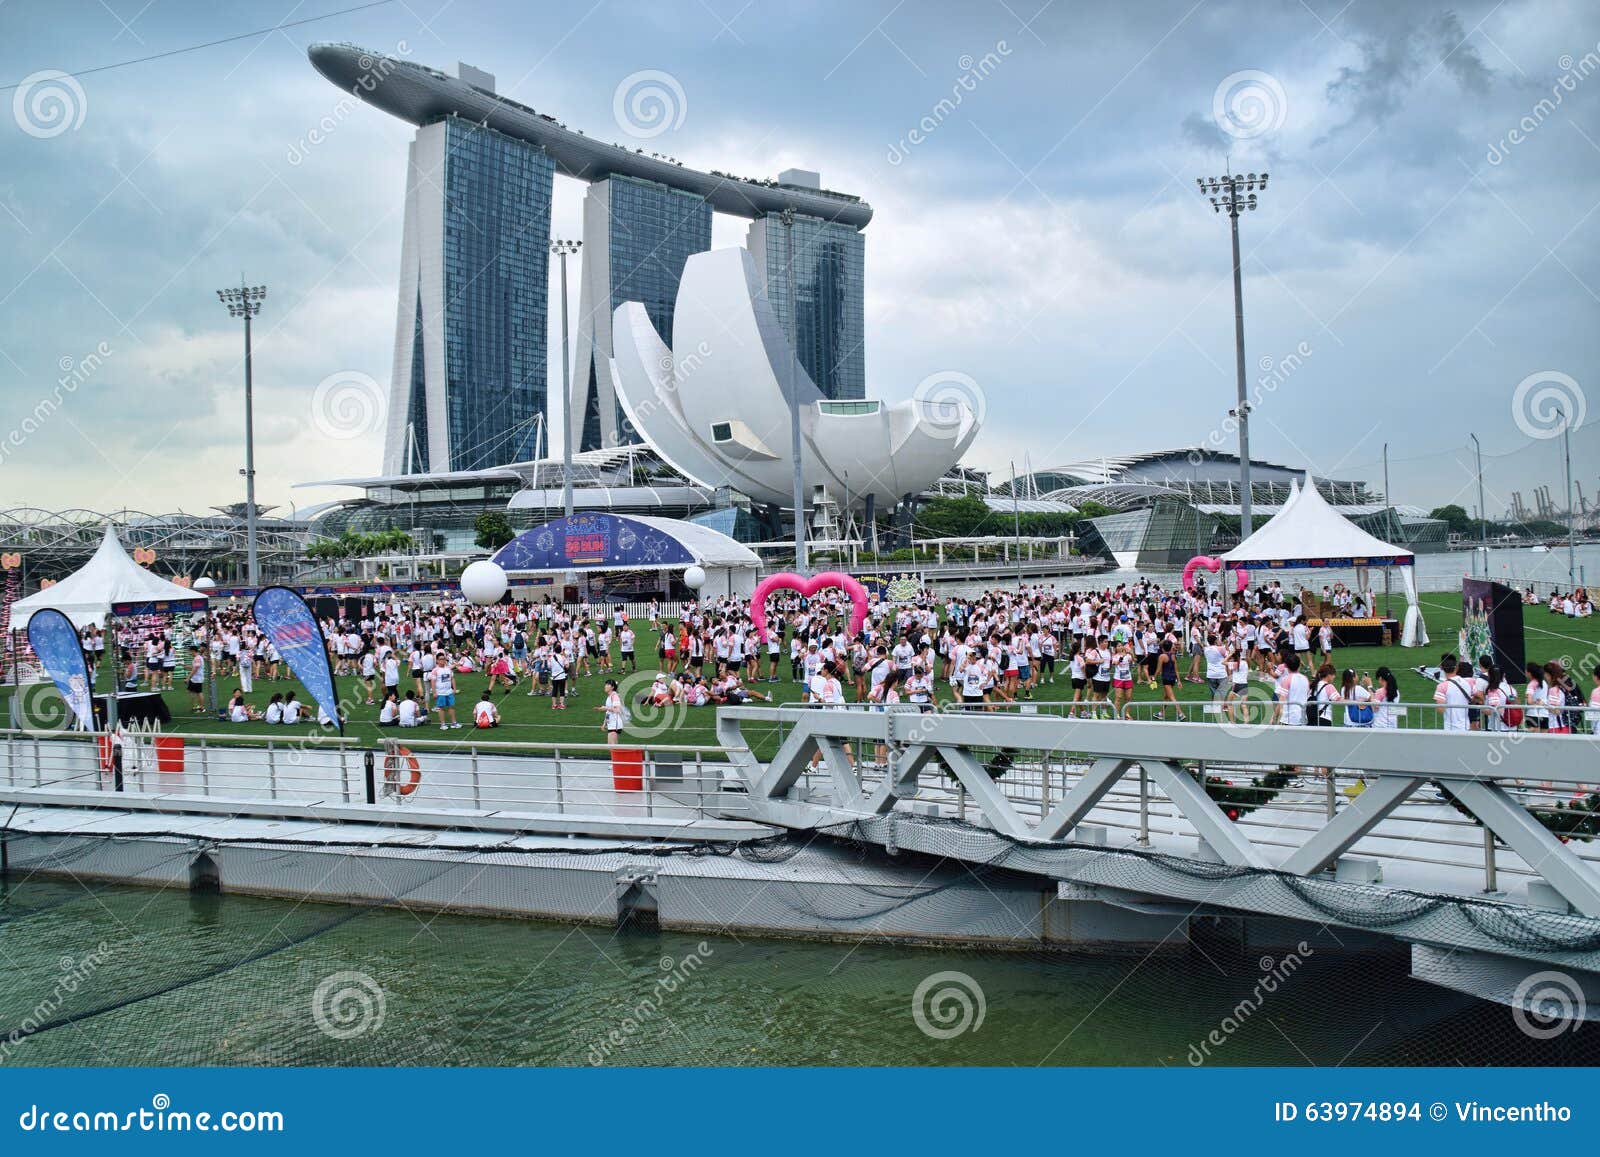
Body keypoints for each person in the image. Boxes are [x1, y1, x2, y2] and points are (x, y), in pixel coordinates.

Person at [432, 655, 460, 729]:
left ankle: (454, 723)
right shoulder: (435, 670)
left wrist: (454, 689)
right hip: (440, 693)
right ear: (437, 660)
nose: (443, 660)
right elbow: (433, 682)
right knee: (441, 708)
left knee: (452, 707)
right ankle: (443, 724)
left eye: (444, 659)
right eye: (441, 659)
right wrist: (434, 692)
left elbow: (452, 679)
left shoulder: (448, 669)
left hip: (449, 692)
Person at [598, 678, 626, 744]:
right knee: (611, 747)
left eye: (608, 685)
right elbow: (608, 712)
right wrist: (604, 724)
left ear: (612, 687)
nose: (605, 686)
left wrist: (605, 708)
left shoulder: (614, 696)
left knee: (614, 748)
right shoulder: (609, 697)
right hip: (611, 725)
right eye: (605, 684)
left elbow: (618, 710)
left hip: (615, 725)